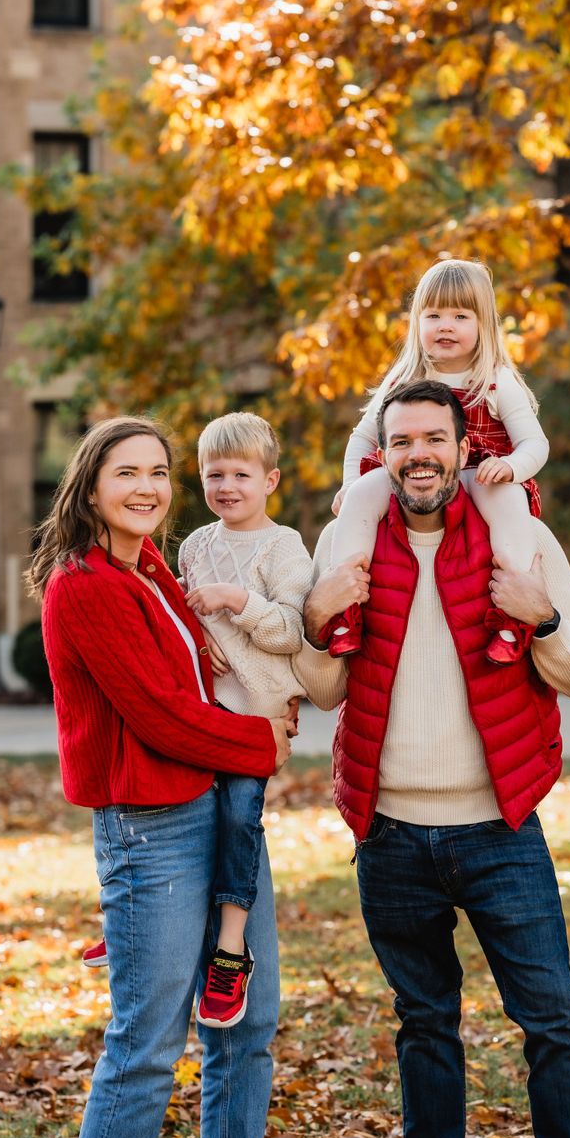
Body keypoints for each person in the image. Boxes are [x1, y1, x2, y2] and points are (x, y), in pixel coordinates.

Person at [293, 380, 570, 1138]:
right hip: (390, 835)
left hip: (499, 831)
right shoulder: (349, 537)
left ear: (465, 448)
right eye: (402, 442)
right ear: (382, 454)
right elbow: (323, 689)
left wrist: (541, 618)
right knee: (424, 1022)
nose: (420, 456)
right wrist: (316, 620)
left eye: (435, 439)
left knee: (552, 1019)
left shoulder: (523, 537)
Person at [29, 415, 294, 1138]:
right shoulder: (83, 586)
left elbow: (200, 686)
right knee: (147, 1045)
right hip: (151, 831)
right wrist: (262, 742)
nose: (147, 488)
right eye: (127, 473)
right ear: (89, 488)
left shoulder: (150, 570)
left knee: (246, 1027)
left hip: (217, 813)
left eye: (158, 472)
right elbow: (160, 717)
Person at [326, 258, 548, 663]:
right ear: (417, 322)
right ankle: (345, 609)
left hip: (482, 476)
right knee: (360, 496)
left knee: (508, 499)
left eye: (460, 316)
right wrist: (349, 484)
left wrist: (511, 467)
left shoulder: (496, 380)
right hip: (416, 477)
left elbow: (535, 444)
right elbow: (362, 437)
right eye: (434, 315)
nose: (446, 326)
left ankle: (511, 618)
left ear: (483, 324)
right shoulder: (403, 378)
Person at [178, 412, 313, 1027]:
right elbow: (182, 615)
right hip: (200, 709)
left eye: (241, 474)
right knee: (179, 818)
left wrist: (237, 601)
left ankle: (230, 950)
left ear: (270, 480)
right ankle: (145, 920)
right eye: (215, 475)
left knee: (238, 819)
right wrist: (197, 635)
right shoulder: (195, 546)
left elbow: (292, 631)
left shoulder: (282, 547)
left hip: (254, 715)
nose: (227, 486)